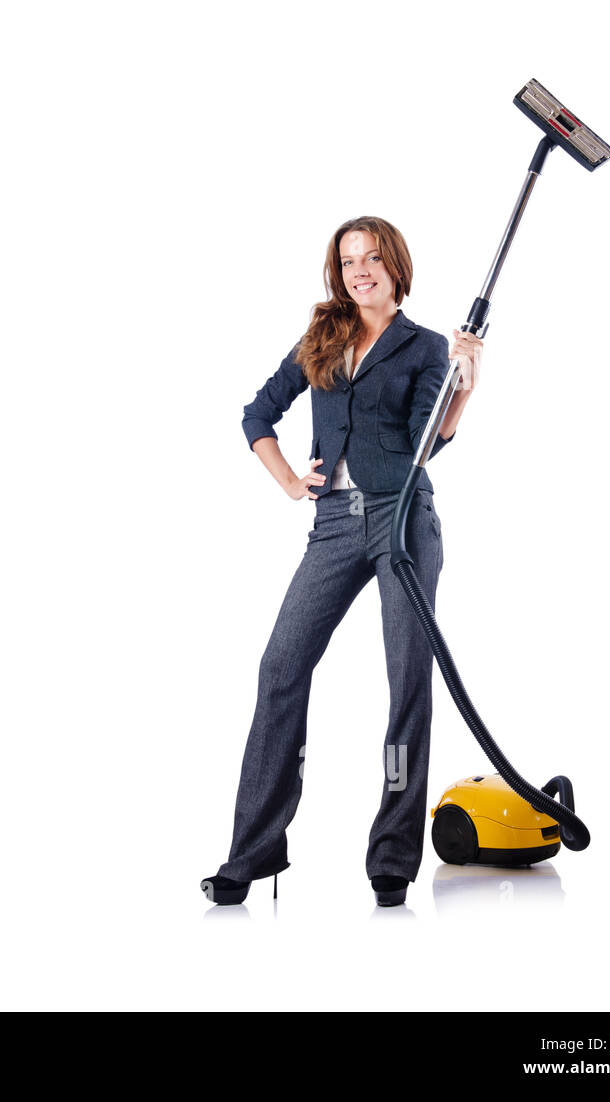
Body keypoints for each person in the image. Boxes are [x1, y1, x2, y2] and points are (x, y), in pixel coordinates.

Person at [201, 216, 483, 908]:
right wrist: (293, 482)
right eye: (349, 260)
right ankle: (253, 851)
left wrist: (464, 385)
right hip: (334, 525)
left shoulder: (421, 348)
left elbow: (426, 442)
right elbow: (257, 415)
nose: (360, 271)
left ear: (395, 266)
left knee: (407, 681)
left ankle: (392, 856)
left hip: (403, 520)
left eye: (372, 258)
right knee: (280, 667)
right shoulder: (322, 336)